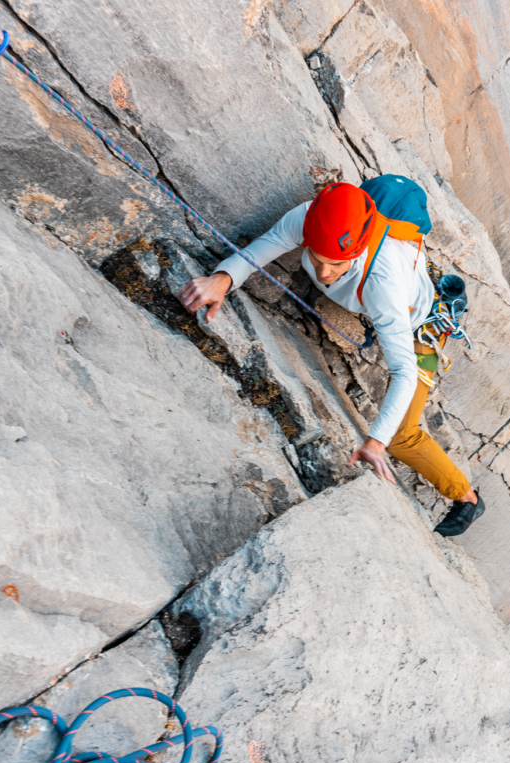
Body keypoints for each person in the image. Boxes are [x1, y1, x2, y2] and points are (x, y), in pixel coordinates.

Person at [178, 182, 486, 537]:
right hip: (397, 288)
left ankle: (467, 499)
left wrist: (376, 441)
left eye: (336, 264)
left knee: (402, 435)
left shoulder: (381, 284)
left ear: (357, 251)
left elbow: (403, 372)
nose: (324, 273)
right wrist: (222, 279)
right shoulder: (312, 219)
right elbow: (265, 246)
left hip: (422, 329)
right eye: (317, 259)